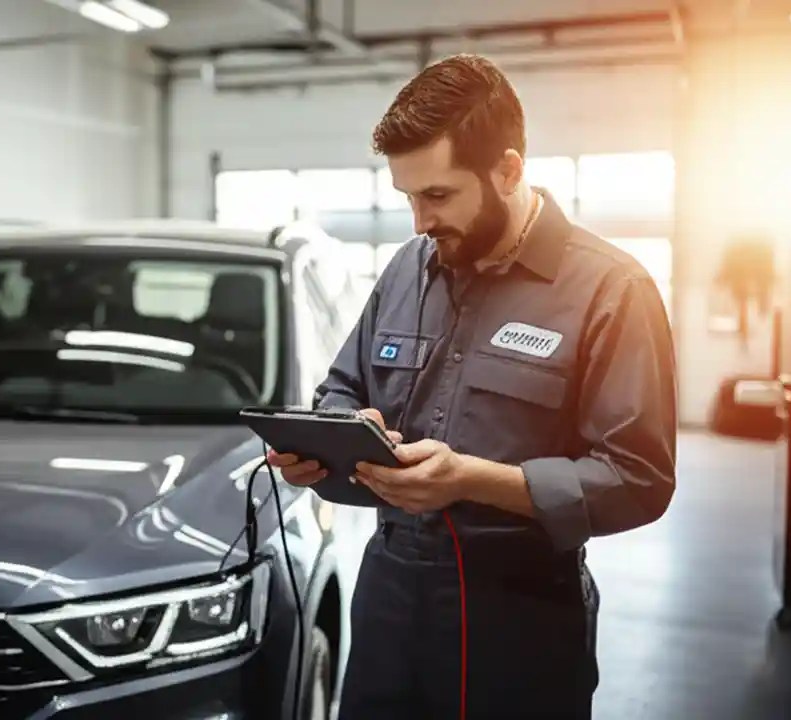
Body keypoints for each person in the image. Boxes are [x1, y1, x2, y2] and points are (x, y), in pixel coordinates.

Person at [267, 54, 677, 719]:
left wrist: (472, 481)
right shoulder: (409, 268)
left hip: (520, 614)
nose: (419, 222)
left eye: (437, 196)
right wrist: (328, 442)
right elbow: (339, 389)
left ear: (509, 169)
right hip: (389, 596)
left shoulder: (610, 289)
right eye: (408, 196)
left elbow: (640, 480)